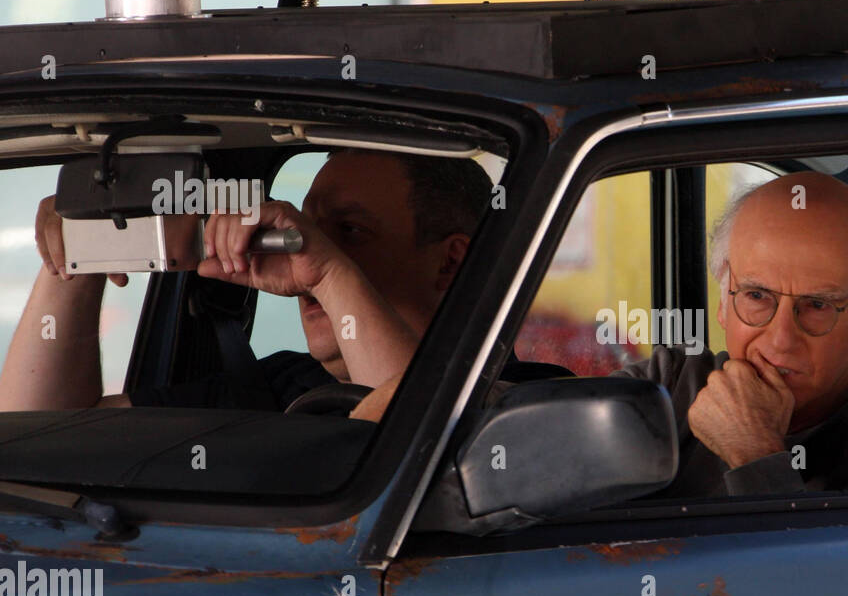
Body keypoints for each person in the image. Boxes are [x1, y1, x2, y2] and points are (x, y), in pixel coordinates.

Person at [0, 149, 490, 418]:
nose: (305, 252)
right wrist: (77, 248)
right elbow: (36, 434)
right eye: (305, 231)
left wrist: (327, 270)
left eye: (350, 233)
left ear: (450, 263)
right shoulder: (269, 388)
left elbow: (422, 444)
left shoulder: (519, 403)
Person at [617, 172, 848, 497]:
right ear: (723, 302)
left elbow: (825, 562)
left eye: (817, 304)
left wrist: (756, 456)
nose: (781, 339)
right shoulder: (668, 386)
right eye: (757, 296)